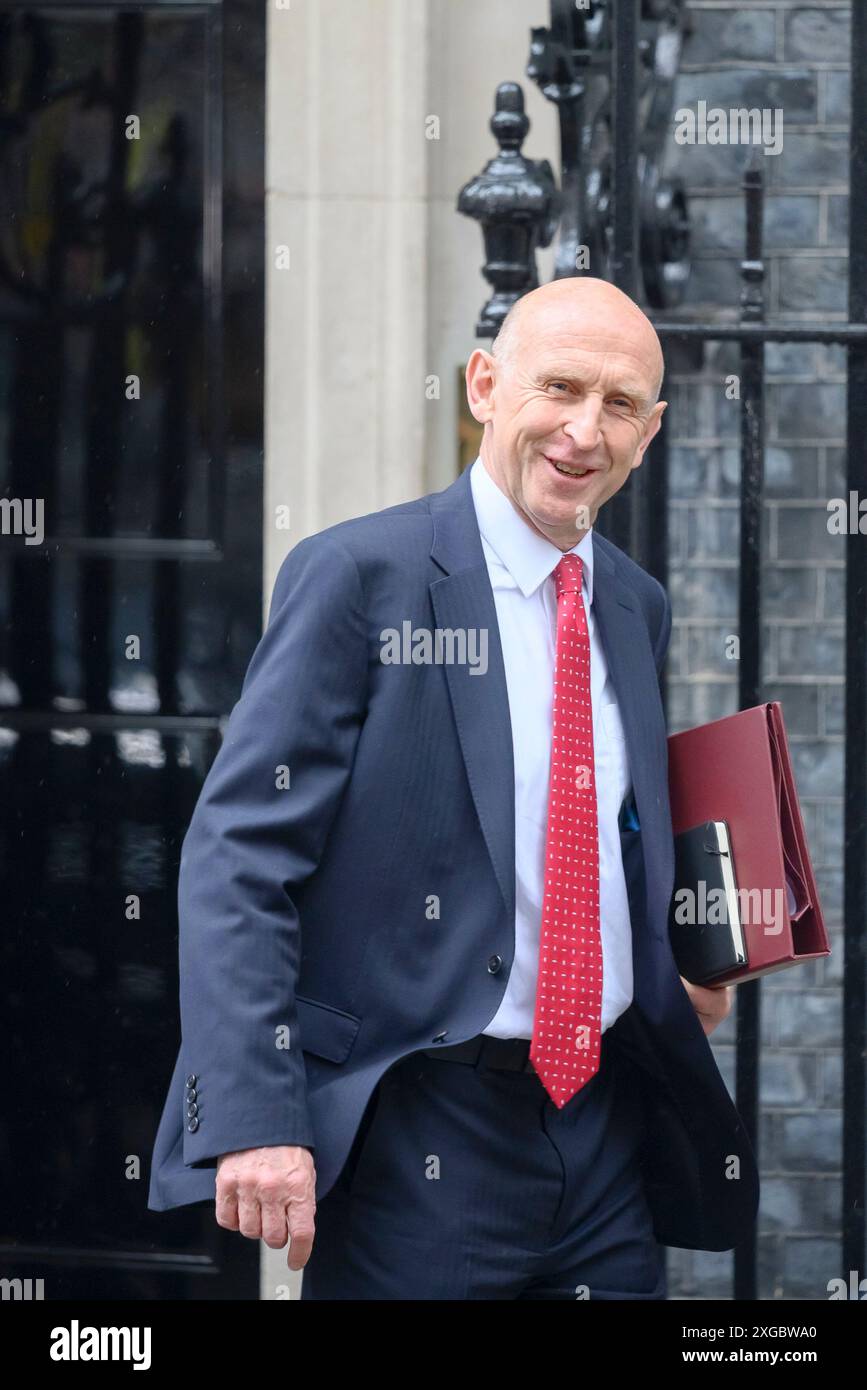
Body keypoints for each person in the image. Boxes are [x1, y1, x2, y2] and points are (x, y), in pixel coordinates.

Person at [147, 276, 759, 1300]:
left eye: (618, 406)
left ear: (650, 434)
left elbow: (613, 830)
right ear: (485, 384)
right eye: (558, 387)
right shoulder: (360, 576)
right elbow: (238, 857)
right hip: (421, 1134)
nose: (581, 430)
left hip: (606, 1132)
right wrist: (256, 1116)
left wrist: (688, 949)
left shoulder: (634, 606)